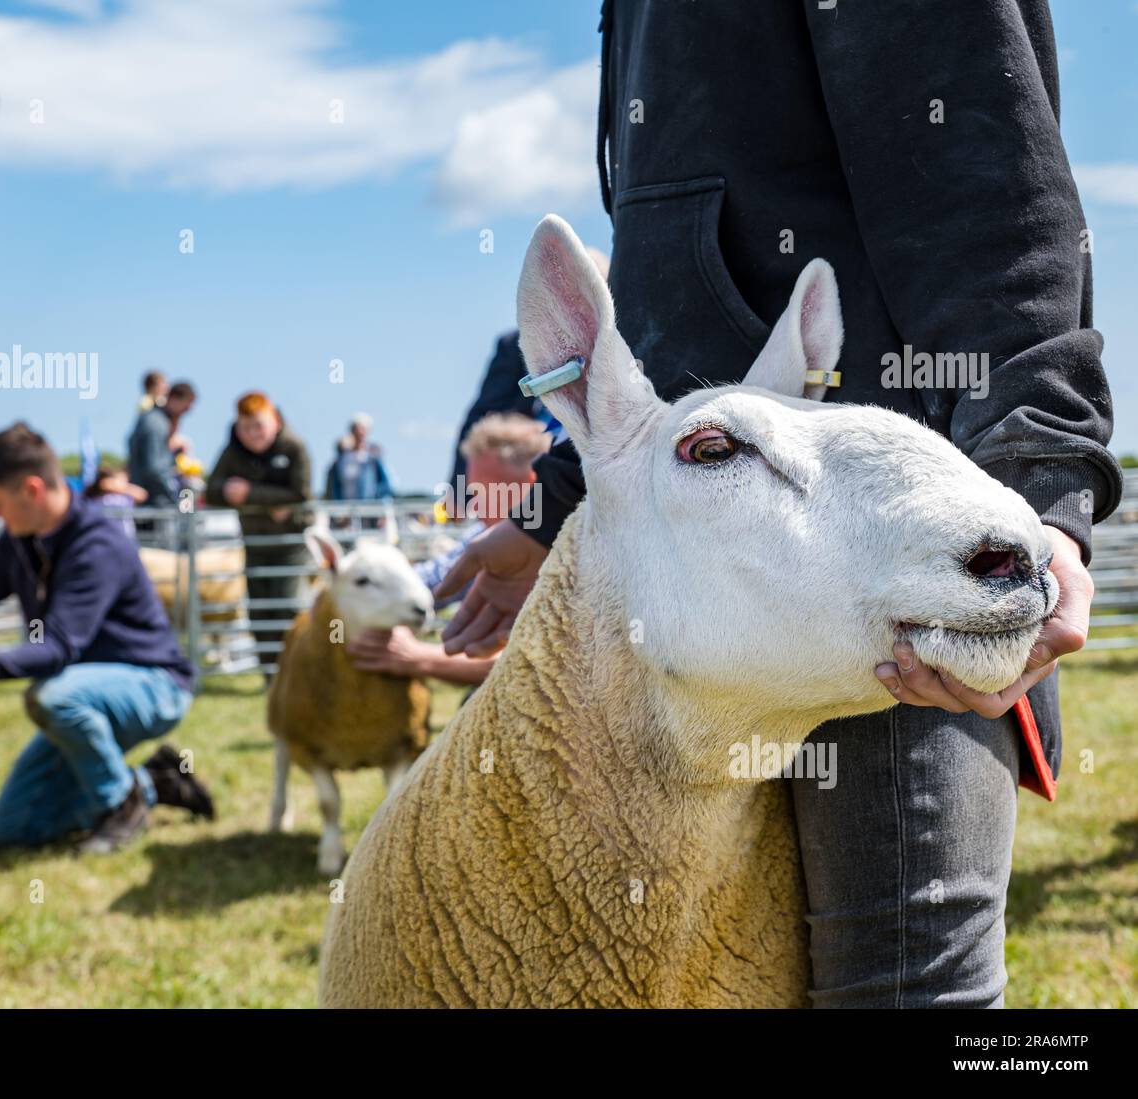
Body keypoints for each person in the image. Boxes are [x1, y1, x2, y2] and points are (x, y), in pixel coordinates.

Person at [435, 0, 1122, 1008]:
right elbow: (684, 293)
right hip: (721, 570)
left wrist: (1033, 482)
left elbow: (983, 177)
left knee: (897, 980)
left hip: (876, 547)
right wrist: (566, 499)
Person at [0, 423, 214, 854]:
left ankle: (121, 806)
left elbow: (58, 649)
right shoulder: (18, 541)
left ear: (32, 489)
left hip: (152, 683)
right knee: (8, 831)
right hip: (81, 691)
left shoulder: (96, 545)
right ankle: (153, 783)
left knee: (52, 697)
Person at [348, 413, 550, 687]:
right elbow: (432, 579)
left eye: (482, 493)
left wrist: (419, 657)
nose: (474, 507)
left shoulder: (570, 553)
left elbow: (539, 664)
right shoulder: (482, 538)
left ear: (530, 484)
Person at [446, 247, 610, 495]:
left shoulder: (622, 348)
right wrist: (458, 491)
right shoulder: (516, 346)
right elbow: (484, 414)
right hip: (532, 471)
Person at [207, 392, 312, 682]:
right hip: (254, 542)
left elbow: (301, 493)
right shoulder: (233, 451)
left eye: (259, 426)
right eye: (245, 427)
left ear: (275, 421)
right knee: (259, 612)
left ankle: (294, 675)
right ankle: (271, 677)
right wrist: (230, 491)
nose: (252, 434)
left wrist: (251, 494)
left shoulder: (294, 447)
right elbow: (211, 490)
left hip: (290, 544)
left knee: (288, 609)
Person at [128, 381, 196, 510]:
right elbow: (155, 467)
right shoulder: (156, 424)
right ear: (174, 399)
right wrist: (175, 495)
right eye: (186, 406)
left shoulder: (155, 420)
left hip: (152, 499)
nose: (187, 411)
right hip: (155, 503)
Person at [324, 414, 393, 501]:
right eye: (356, 429)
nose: (360, 433)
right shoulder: (342, 459)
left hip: (368, 509)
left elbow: (385, 485)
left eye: (363, 430)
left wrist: (375, 499)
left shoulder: (372, 458)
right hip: (344, 510)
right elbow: (335, 485)